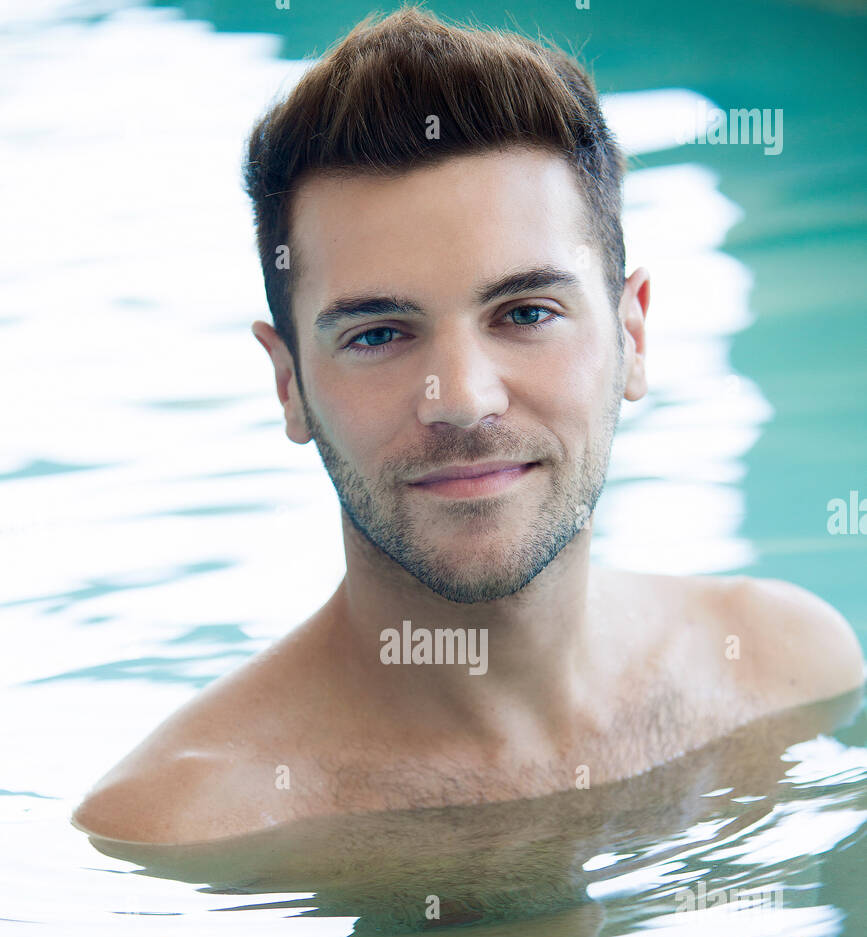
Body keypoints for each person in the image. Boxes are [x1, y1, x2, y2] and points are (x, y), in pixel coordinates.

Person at [71, 7, 863, 848]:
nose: (461, 399)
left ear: (631, 337)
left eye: (525, 312)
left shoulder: (789, 670)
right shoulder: (181, 828)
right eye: (377, 334)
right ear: (289, 383)